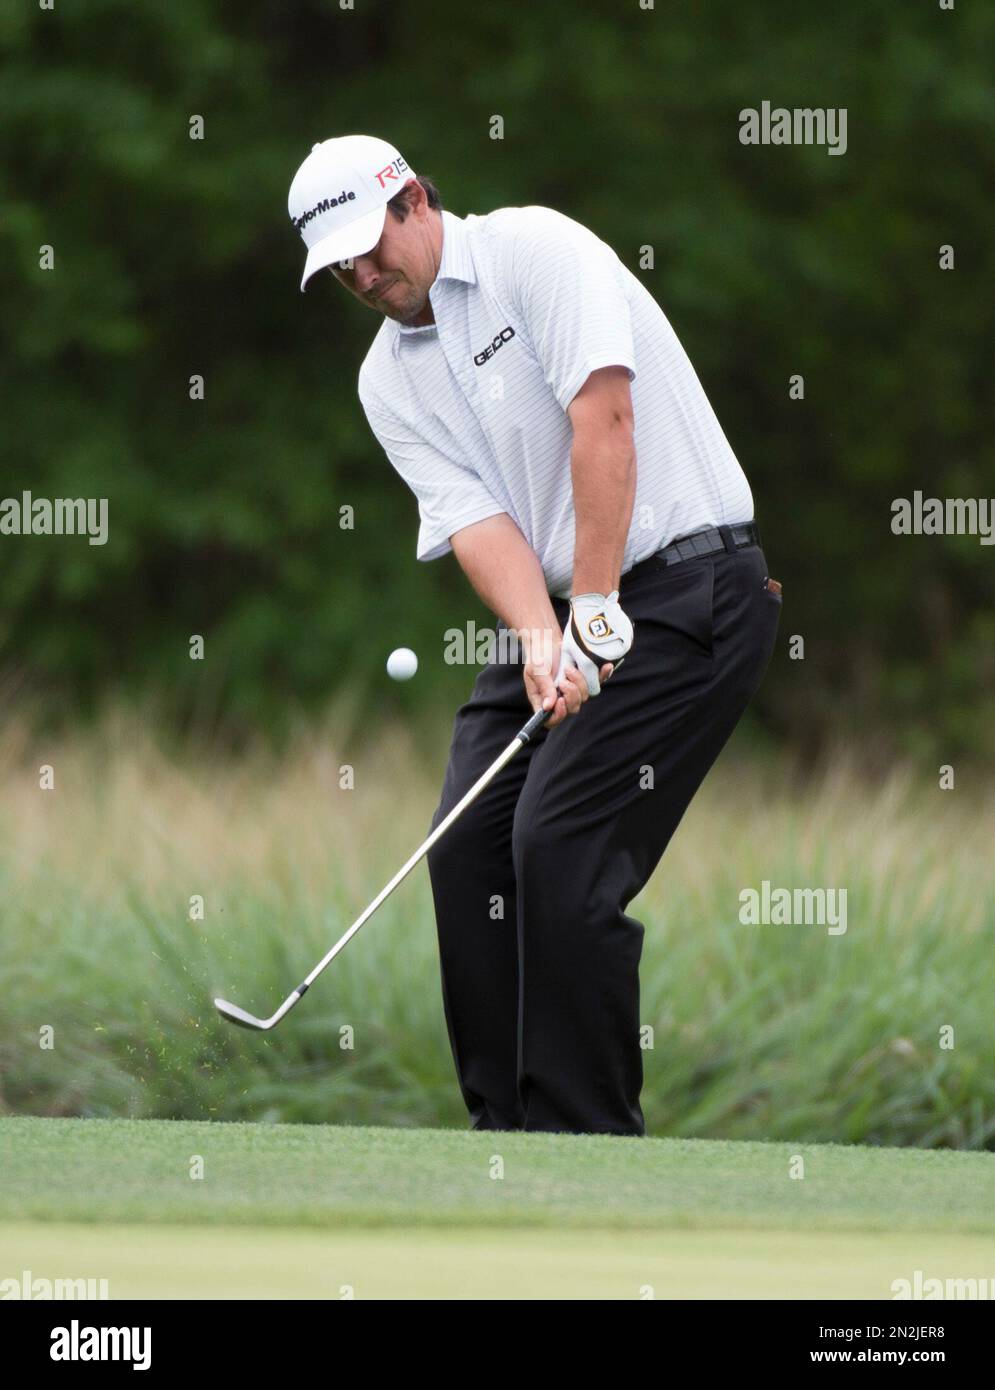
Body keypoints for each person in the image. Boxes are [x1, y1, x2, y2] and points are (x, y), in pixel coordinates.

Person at [288, 134, 781, 1135]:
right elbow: (477, 522)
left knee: (556, 842)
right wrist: (542, 633)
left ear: (415, 200)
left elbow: (603, 418)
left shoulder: (534, 252)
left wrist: (595, 607)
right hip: (567, 606)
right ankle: (501, 1137)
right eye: (337, 261)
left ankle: (583, 1140)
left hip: (693, 587)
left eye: (368, 245)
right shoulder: (385, 383)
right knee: (467, 841)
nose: (360, 272)